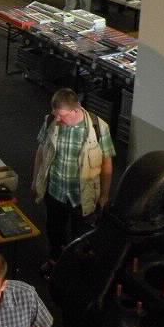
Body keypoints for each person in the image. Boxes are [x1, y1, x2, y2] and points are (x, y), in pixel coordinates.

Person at [32, 88, 114, 273]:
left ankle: (77, 271)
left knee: (82, 237)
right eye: (56, 115)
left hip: (83, 196)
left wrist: (105, 195)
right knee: (54, 230)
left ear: (76, 109)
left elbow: (107, 162)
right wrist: (35, 179)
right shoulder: (51, 121)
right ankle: (54, 262)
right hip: (55, 191)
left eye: (62, 116)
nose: (58, 120)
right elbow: (40, 152)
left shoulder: (99, 128)